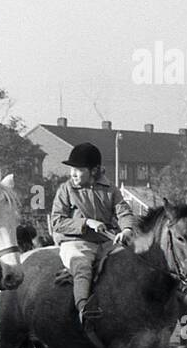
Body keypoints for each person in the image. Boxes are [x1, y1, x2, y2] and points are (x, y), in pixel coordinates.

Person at [48, 142, 135, 332]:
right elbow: (56, 222)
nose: (73, 174)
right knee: (82, 266)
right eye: (72, 169)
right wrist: (86, 223)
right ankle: (83, 310)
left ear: (94, 170)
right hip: (76, 242)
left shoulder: (111, 189)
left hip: (105, 242)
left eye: (79, 170)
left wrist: (127, 230)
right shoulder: (66, 189)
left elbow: (124, 212)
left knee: (132, 262)